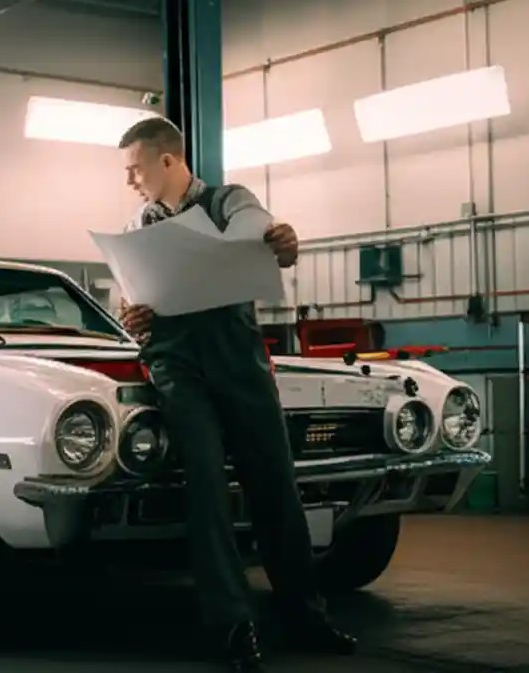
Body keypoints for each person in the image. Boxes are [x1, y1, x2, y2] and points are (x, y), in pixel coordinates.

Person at [114, 117, 356, 671]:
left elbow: (273, 242)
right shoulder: (135, 228)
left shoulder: (230, 201)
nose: (130, 181)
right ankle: (231, 626)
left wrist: (286, 243)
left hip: (238, 360)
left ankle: (304, 615)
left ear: (168, 161)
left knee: (276, 486)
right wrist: (133, 316)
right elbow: (131, 308)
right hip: (175, 364)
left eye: (135, 169)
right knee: (205, 491)